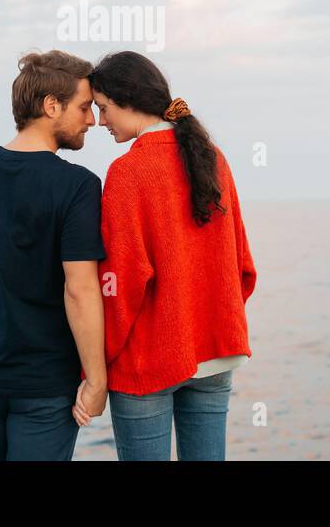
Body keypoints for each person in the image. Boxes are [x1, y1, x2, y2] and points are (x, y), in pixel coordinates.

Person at [74, 51, 256, 460]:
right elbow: (242, 265)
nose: (101, 122)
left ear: (128, 100)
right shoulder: (214, 157)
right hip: (216, 353)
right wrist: (208, 323)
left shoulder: (128, 171)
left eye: (103, 109)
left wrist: (95, 368)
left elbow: (121, 285)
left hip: (149, 362)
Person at [0, 50, 108, 460]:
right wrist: (97, 379)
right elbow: (80, 288)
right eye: (85, 107)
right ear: (52, 106)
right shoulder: (79, 186)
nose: (92, 120)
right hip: (44, 386)